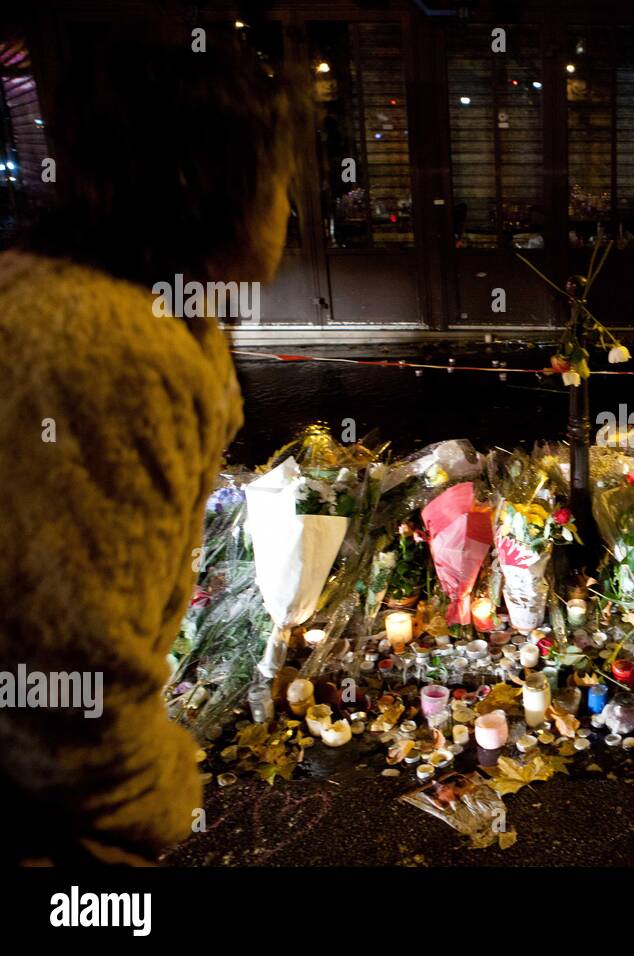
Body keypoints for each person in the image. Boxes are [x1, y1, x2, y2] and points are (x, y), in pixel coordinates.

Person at [0, 20, 302, 864]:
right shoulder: (112, 346)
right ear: (214, 176)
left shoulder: (102, 303)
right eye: (280, 177)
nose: (288, 206)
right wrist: (157, 798)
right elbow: (67, 696)